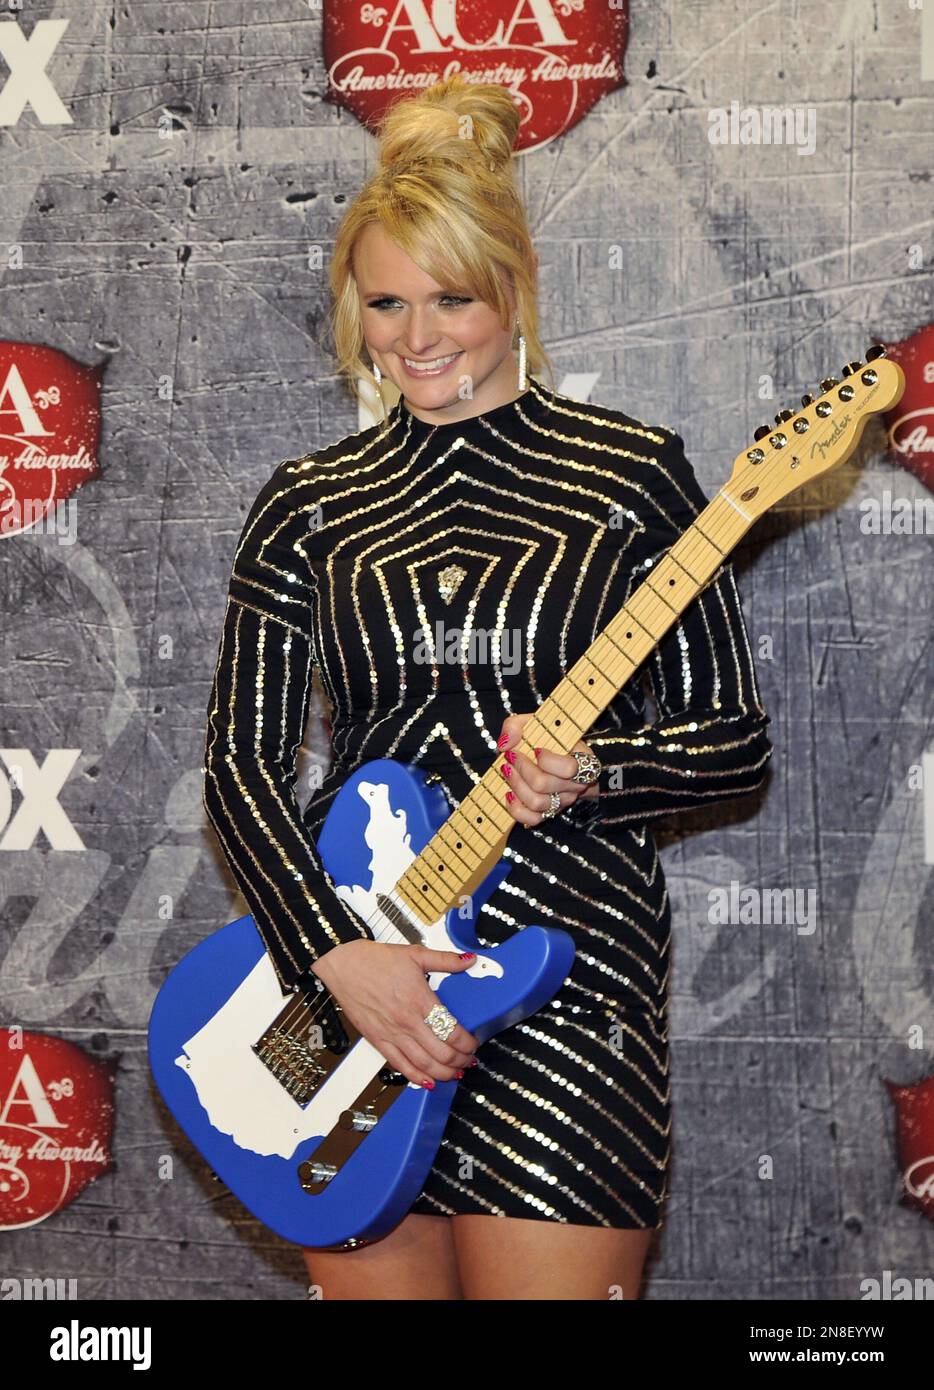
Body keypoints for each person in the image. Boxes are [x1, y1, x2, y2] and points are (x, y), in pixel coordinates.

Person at [202, 74, 773, 1300]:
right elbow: (241, 767)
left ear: (514, 290)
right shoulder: (307, 504)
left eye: (451, 299)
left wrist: (599, 771)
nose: (415, 338)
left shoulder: (631, 474)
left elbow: (733, 744)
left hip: (571, 993)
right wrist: (332, 957)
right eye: (386, 301)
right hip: (354, 995)